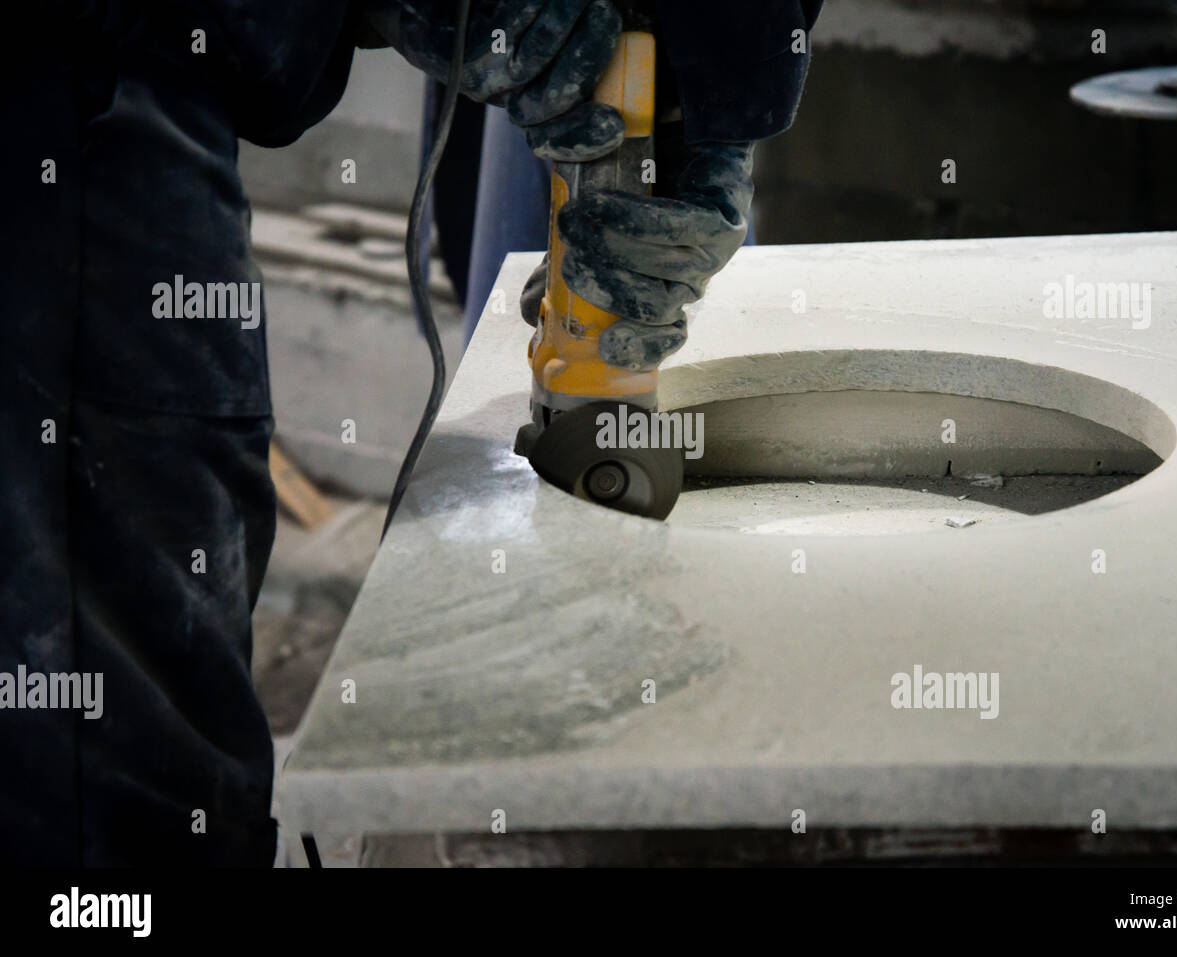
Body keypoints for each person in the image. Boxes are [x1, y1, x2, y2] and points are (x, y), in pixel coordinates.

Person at [0, 0, 819, 866]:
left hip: (151, 66)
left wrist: (721, 113)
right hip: (64, 83)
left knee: (154, 644)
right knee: (112, 717)